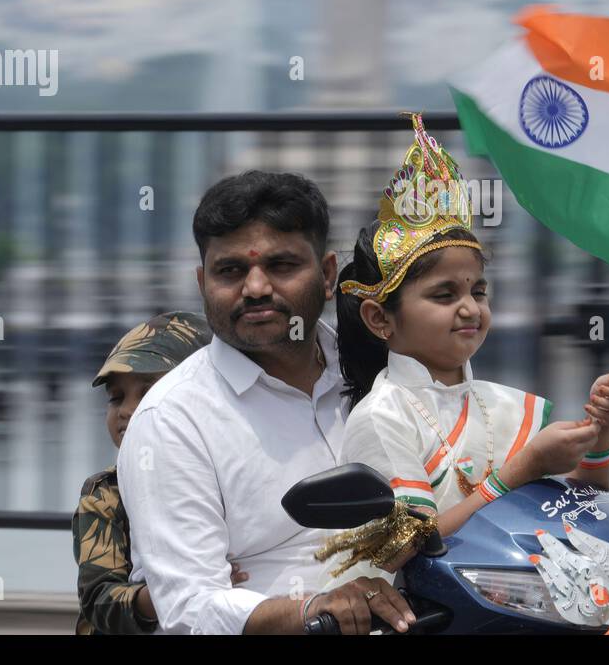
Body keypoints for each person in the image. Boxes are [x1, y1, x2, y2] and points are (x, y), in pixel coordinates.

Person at [335, 114, 609, 606]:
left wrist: (601, 432)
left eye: (478, 290)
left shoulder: (507, 405)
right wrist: (516, 473)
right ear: (379, 318)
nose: (470, 308)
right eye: (443, 294)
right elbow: (402, 549)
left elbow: (578, 504)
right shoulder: (383, 415)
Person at [116, 171, 419, 634]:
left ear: (327, 274)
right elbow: (188, 610)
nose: (255, 288)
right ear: (202, 283)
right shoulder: (172, 420)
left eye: (281, 265)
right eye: (230, 271)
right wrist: (312, 608)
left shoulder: (382, 375)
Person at [72, 310, 247, 635]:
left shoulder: (232, 476)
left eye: (148, 392)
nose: (125, 410)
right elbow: (98, 600)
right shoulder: (106, 493)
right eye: (116, 398)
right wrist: (176, 592)